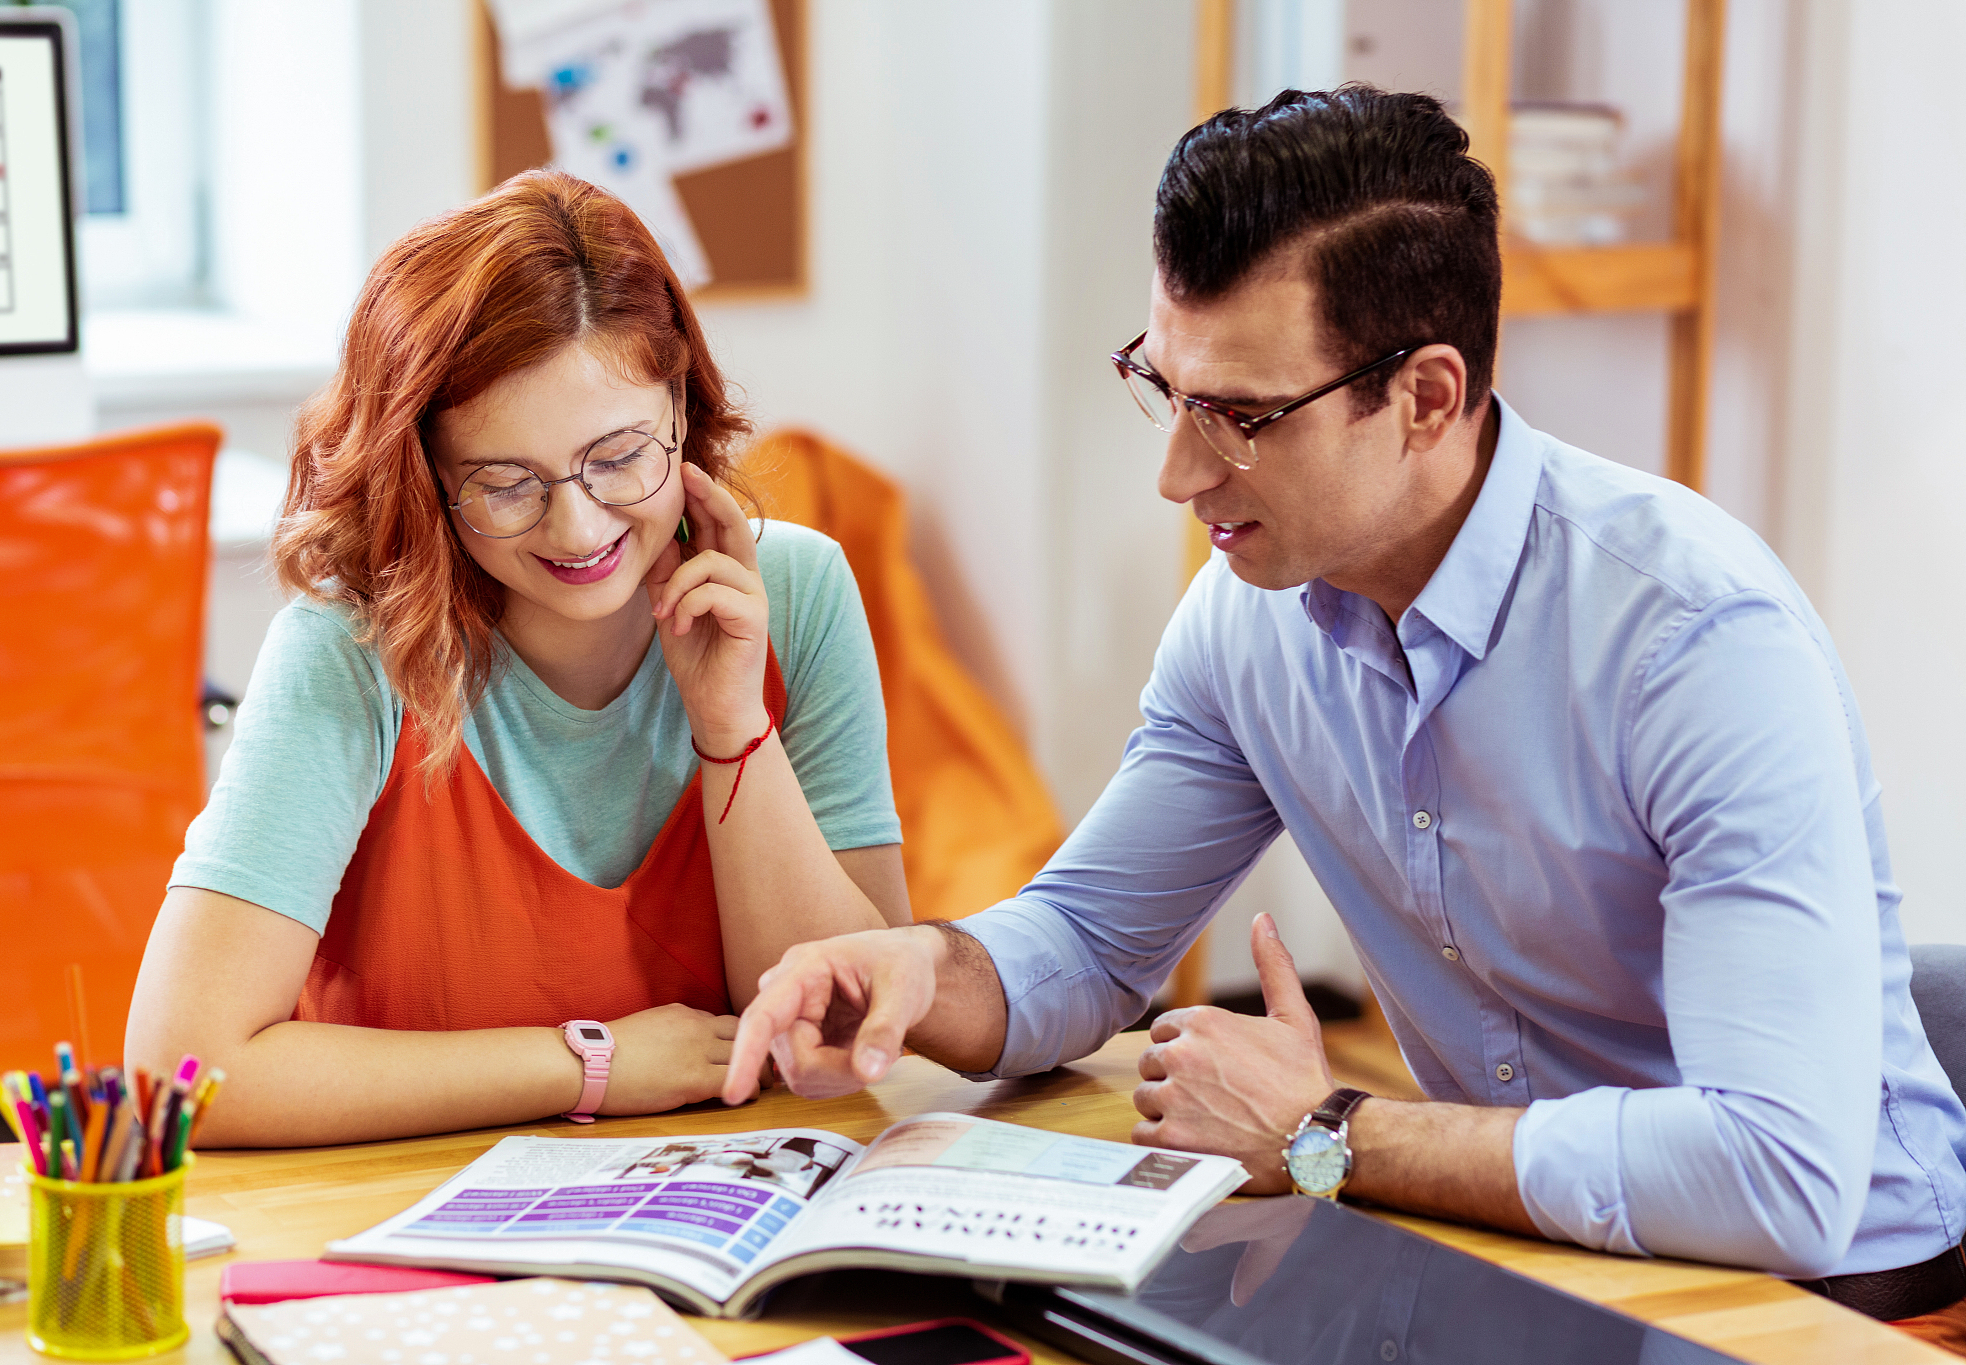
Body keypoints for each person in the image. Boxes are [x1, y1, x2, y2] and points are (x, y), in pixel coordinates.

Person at [720, 88, 1966, 1348]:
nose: (1177, 474)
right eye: (1165, 388)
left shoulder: (1691, 640)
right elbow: (1090, 944)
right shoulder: (1245, 616)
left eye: (1243, 418)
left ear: (1426, 397)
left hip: (1824, 1301)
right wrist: (918, 968)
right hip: (1512, 1251)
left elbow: (1778, 1180)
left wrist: (1325, 1135)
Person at [127, 171, 909, 1147]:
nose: (578, 527)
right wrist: (588, 1063)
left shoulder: (794, 595)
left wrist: (730, 725)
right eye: (504, 484)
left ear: (682, 409)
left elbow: (845, 1031)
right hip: (406, 1211)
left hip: (729, 1204)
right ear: (426, 480)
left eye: (621, 455)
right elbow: (183, 1071)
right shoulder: (349, 648)